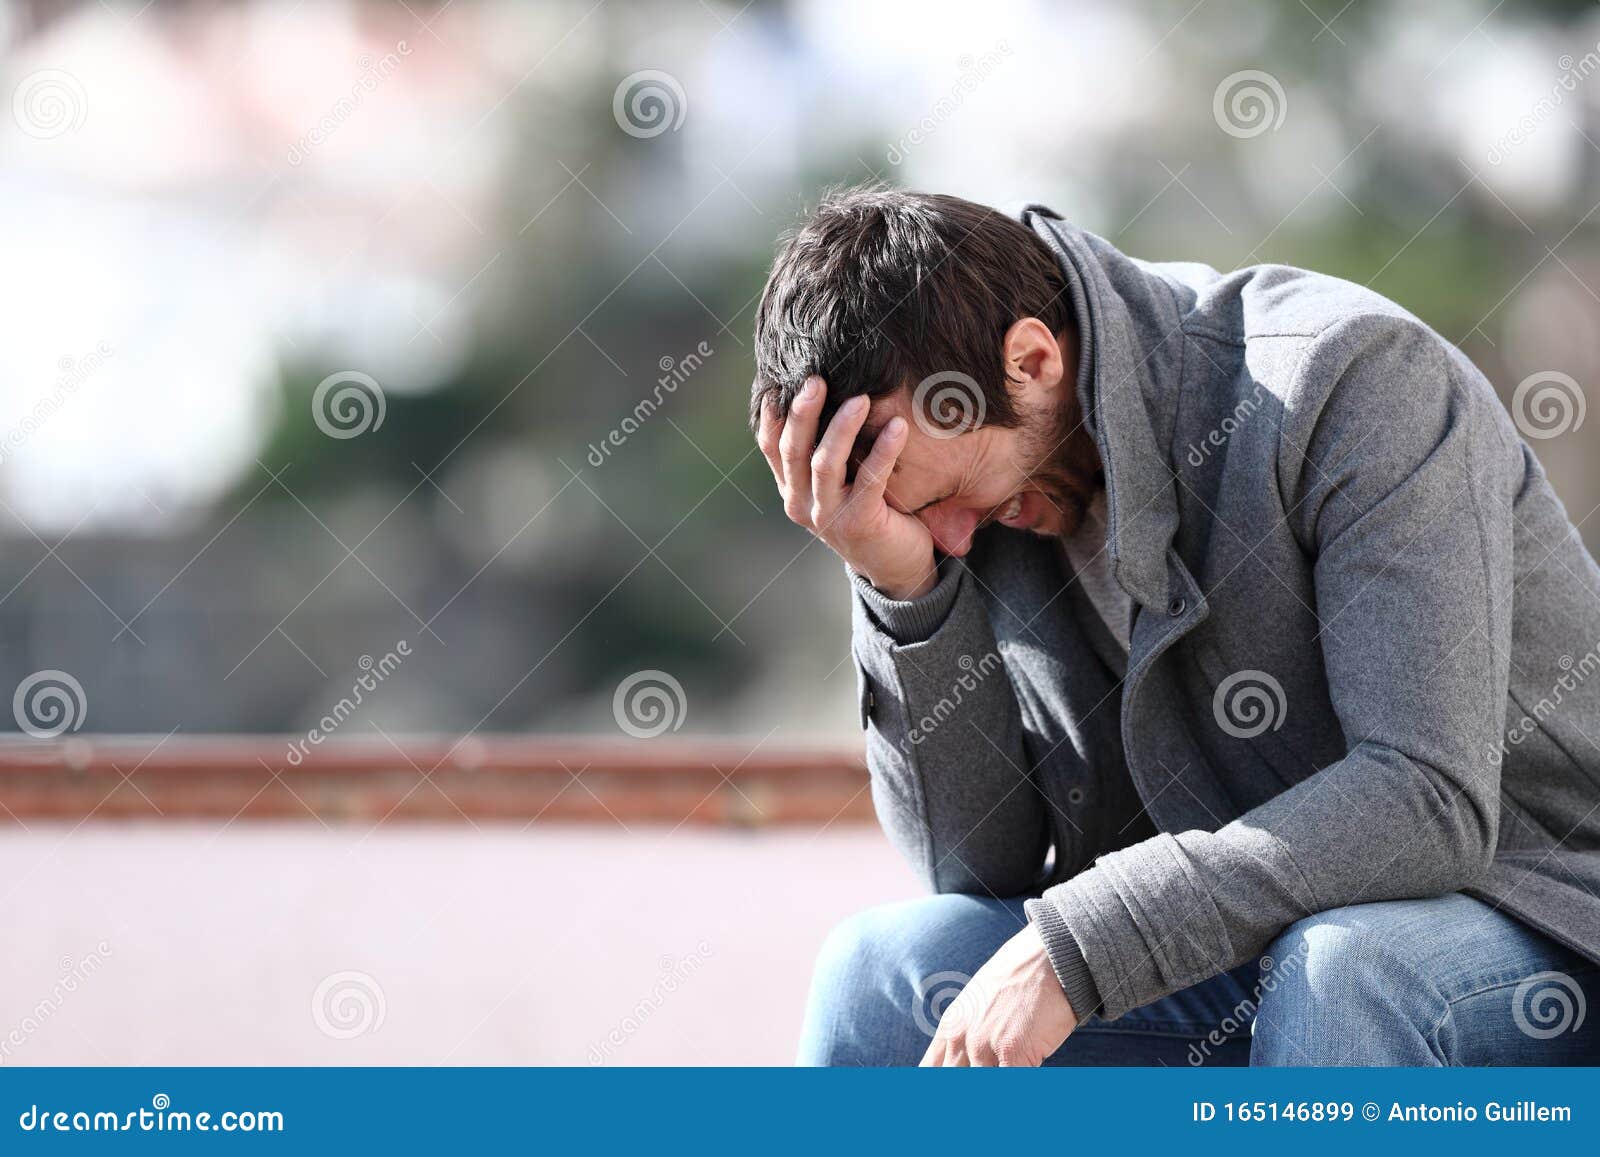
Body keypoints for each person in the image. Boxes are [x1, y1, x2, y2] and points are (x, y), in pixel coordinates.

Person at [749, 186, 1600, 1066]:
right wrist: (902, 589)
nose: (950, 538)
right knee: (883, 977)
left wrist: (1084, 945)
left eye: (938, 498)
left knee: (1347, 973)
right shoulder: (972, 507)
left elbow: (1427, 804)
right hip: (1249, 942)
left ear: (1032, 359)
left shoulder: (1351, 380)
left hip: (1539, 911)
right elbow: (976, 867)